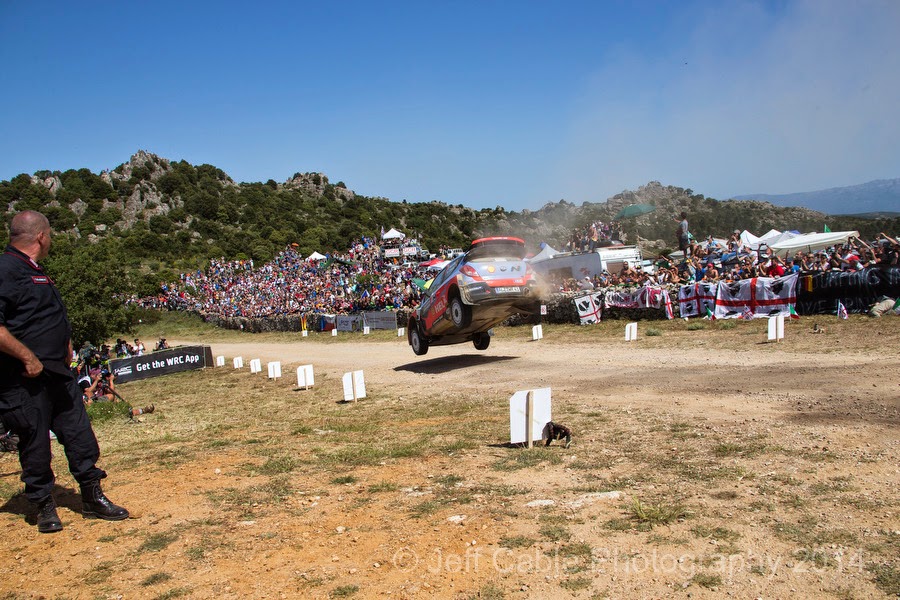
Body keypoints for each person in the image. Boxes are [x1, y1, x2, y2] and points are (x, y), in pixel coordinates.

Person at [0, 210, 129, 533]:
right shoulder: (5, 269)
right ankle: (43, 505)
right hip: (25, 377)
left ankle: (91, 494)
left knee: (79, 434)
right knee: (34, 441)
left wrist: (65, 341)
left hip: (58, 372)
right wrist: (27, 357)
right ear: (42, 236)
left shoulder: (35, 271)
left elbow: (43, 316)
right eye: (51, 235)